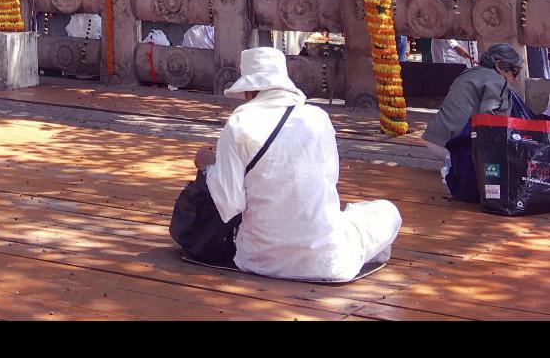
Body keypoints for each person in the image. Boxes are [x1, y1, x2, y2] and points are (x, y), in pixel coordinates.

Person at [191, 45, 402, 282]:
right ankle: (365, 252)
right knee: (387, 212)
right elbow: (329, 181)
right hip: (327, 262)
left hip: (257, 260)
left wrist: (210, 168)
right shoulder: (318, 118)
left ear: (249, 90)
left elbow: (229, 205)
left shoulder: (239, 122)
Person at [422, 40, 527, 201]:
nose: (515, 78)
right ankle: (455, 169)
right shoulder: (498, 82)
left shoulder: (467, 73)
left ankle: (454, 166)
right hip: (452, 144)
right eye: (514, 72)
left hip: (432, 137)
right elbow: (490, 122)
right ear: (499, 66)